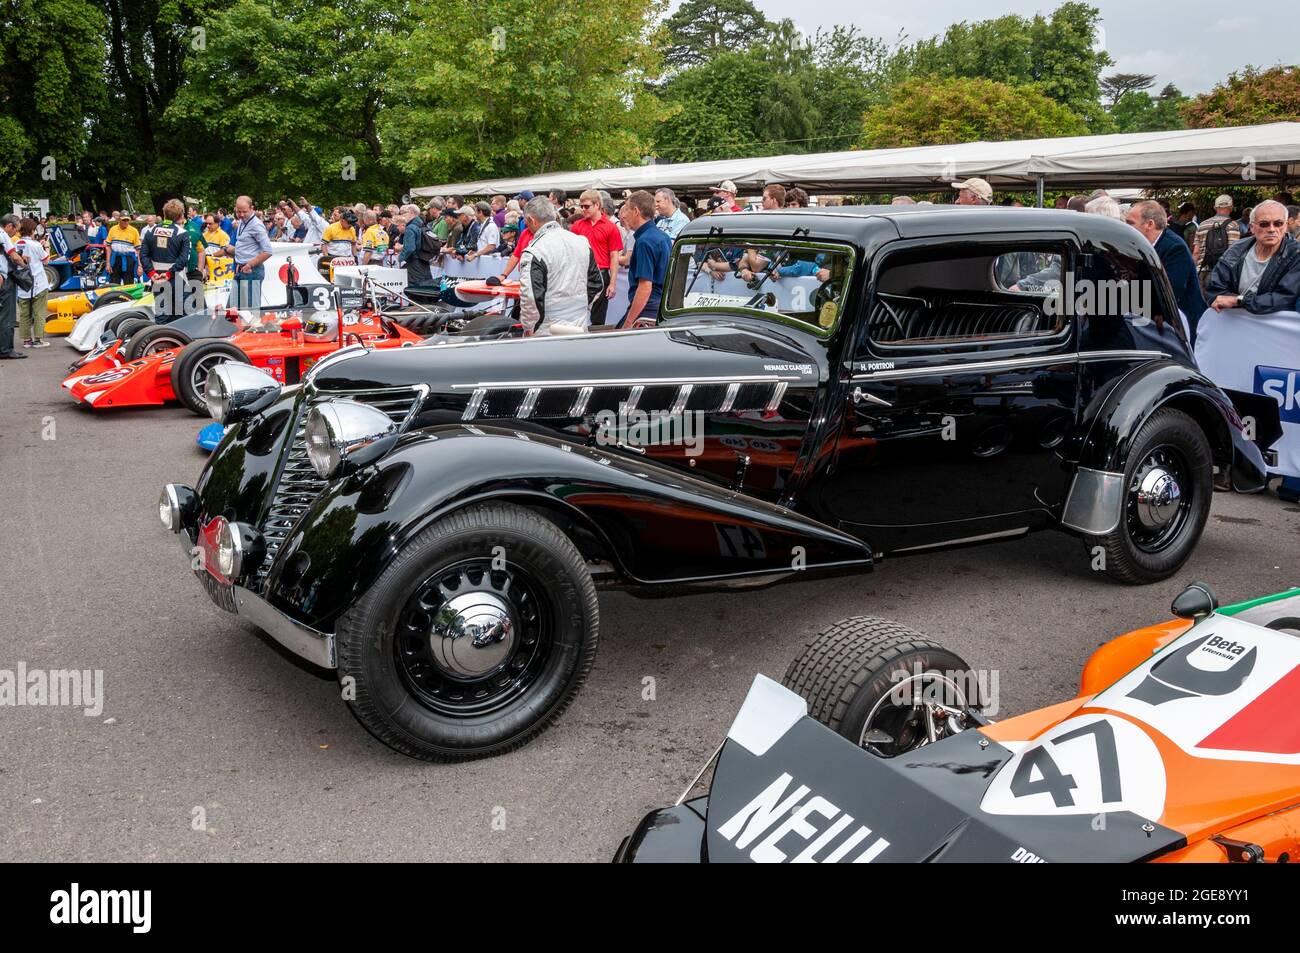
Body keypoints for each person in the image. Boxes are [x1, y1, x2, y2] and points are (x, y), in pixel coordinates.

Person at [518, 196, 601, 335]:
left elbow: (530, 297)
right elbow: (597, 283)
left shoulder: (535, 251)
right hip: (579, 323)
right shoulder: (582, 242)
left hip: (547, 329)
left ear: (532, 220)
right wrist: (582, 307)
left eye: (527, 223)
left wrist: (529, 327)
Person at [1126, 200, 1206, 340]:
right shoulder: (1143, 245)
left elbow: (1170, 291)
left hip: (1180, 325)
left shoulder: (1175, 248)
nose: (1126, 228)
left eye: (1131, 223)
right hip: (1156, 321)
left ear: (1150, 224)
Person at [1205, 200, 1300, 314]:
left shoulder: (1295, 254)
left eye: (1278, 223)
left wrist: (1240, 301)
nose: (1271, 229)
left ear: (1285, 226)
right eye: (1264, 224)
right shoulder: (1236, 249)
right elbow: (1214, 290)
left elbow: (1284, 298)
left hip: (1276, 327)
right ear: (1252, 227)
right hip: (1236, 323)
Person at [569, 189, 624, 325]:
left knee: (598, 318)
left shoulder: (611, 227)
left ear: (597, 205)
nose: (583, 209)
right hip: (581, 275)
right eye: (581, 206)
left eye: (586, 206)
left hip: (601, 274)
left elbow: (614, 256)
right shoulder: (577, 226)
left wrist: (612, 283)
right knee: (575, 315)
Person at [619, 190, 671, 329]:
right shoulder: (663, 236)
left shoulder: (645, 241)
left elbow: (645, 287)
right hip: (660, 307)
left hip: (647, 310)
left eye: (626, 210)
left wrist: (629, 323)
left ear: (636, 211)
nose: (623, 215)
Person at [216, 196, 272, 311]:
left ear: (252, 208)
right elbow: (241, 247)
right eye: (238, 211)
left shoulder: (256, 225)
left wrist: (249, 264)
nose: (241, 214)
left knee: (250, 312)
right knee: (231, 310)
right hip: (240, 269)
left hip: (252, 272)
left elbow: (268, 251)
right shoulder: (242, 222)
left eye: (244, 212)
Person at [139, 199, 191, 319]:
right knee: (183, 315)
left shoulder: (150, 231)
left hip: (156, 276)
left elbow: (143, 255)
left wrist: (151, 272)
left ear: (164, 214)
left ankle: (160, 336)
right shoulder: (182, 233)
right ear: (181, 215)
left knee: (162, 314)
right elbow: (184, 259)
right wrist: (169, 273)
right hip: (175, 276)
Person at [15, 218, 51, 348]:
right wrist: (46, 247)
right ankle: (38, 340)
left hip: (23, 284)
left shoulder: (16, 243)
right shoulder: (36, 245)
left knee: (25, 314)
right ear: (31, 230)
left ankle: (26, 340)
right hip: (38, 282)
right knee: (39, 312)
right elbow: (46, 260)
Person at [1193, 195, 1242, 280]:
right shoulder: (1233, 225)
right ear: (1231, 207)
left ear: (1215, 208)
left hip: (1202, 271)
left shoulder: (1202, 225)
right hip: (1223, 274)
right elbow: (1234, 251)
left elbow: (1196, 252)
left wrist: (1193, 272)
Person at [399, 203, 432, 286]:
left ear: (411, 213)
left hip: (414, 263)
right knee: (426, 287)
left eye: (404, 213)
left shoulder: (410, 227)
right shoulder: (422, 224)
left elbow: (410, 248)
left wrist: (400, 257)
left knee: (415, 290)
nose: (403, 216)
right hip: (424, 261)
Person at [105, 212, 141, 284]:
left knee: (129, 281)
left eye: (127, 220)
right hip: (115, 258)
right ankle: (114, 295)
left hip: (129, 258)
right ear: (119, 220)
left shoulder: (134, 231)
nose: (126, 222)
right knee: (114, 281)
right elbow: (108, 247)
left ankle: (127, 295)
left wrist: (140, 265)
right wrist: (108, 263)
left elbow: (138, 249)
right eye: (124, 220)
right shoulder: (113, 229)